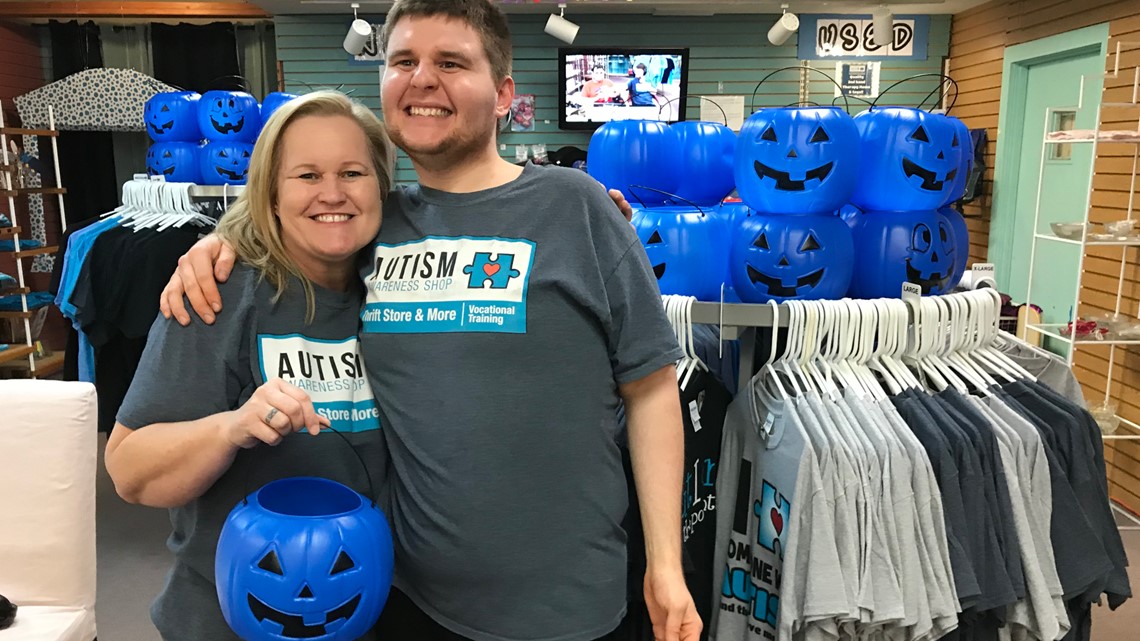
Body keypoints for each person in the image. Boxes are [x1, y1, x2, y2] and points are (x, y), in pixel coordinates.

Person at [161, 1, 700, 640]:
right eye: (404, 61)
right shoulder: (372, 223)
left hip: (566, 607)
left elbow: (651, 389)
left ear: (503, 94)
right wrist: (223, 237)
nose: (422, 78)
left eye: (451, 62)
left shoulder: (576, 206)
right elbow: (300, 207)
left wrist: (666, 565)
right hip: (410, 601)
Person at [106, 91, 397, 641]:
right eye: (307, 175)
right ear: (271, 191)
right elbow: (129, 472)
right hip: (237, 615)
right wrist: (232, 427)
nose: (332, 194)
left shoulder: (401, 286)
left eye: (353, 172)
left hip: (371, 607)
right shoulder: (221, 291)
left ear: (383, 186)